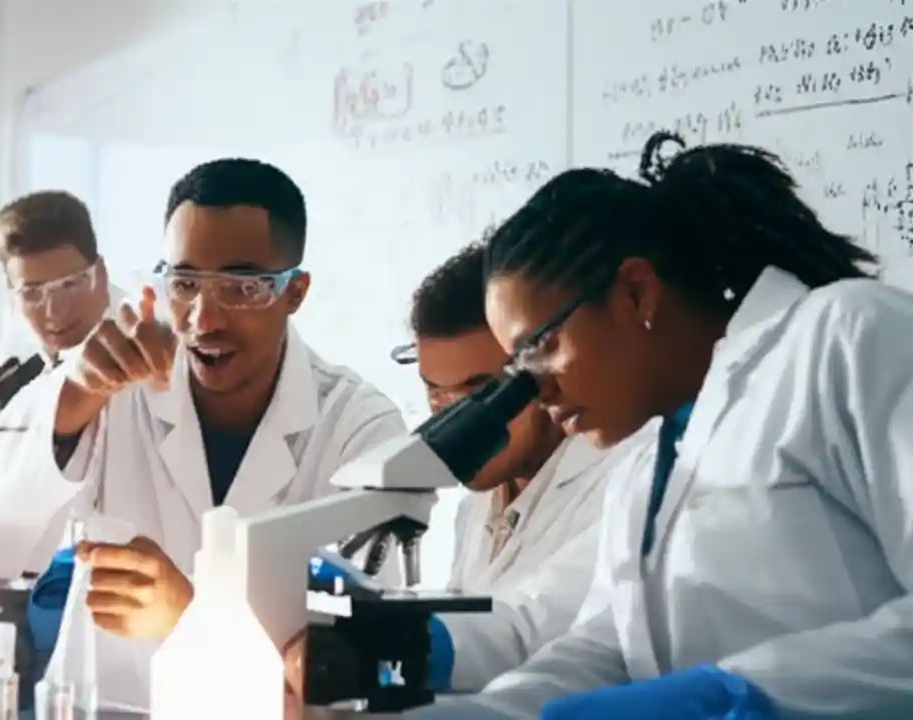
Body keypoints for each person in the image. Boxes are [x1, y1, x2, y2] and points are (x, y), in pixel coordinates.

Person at [411, 132, 913, 719]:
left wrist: (747, 696)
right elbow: (611, 653)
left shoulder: (844, 337)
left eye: (540, 347)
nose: (536, 388)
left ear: (636, 293)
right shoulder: (647, 462)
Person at [45, 158, 407, 709]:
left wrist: (191, 615)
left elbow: (370, 661)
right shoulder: (119, 392)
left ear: (295, 292)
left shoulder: (361, 430)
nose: (202, 319)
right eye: (185, 283)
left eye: (242, 288)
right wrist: (73, 394)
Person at [398, 242, 651, 693]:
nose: (452, 419)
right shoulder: (477, 506)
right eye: (435, 392)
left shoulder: (622, 475)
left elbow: (535, 627)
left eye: (480, 392)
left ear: (536, 368)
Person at [0, 190, 125, 574]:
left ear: (102, 273)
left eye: (71, 285)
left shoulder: (135, 347)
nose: (54, 311)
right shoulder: (20, 349)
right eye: (32, 294)